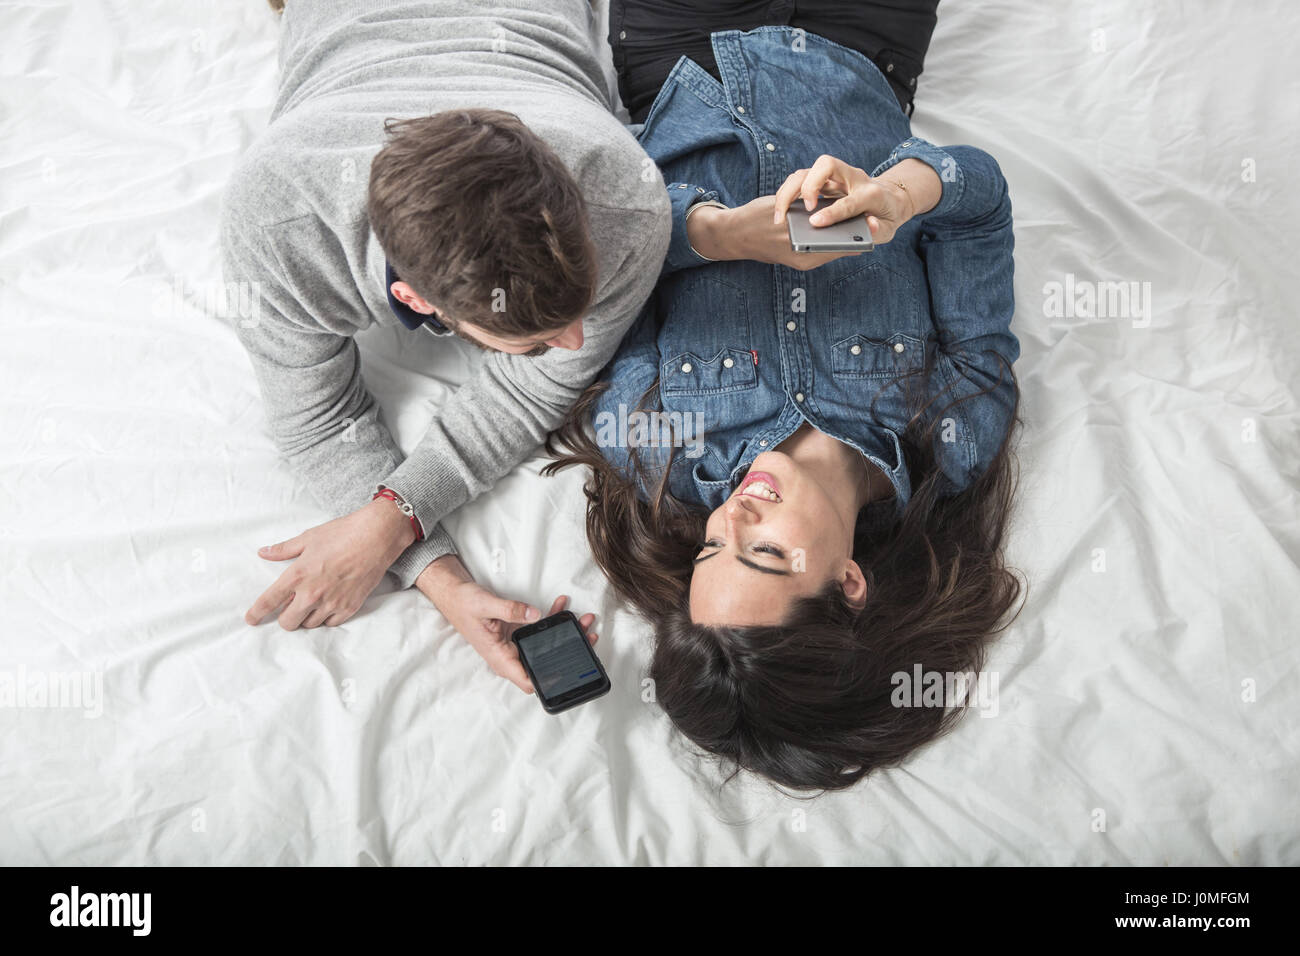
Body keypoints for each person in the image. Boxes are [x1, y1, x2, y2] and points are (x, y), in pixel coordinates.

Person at [549, 7, 1024, 791]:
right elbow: (983, 209)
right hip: (865, 43)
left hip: (683, 48)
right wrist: (903, 194)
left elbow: (597, 259)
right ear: (848, 582)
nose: (730, 516)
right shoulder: (953, 438)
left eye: (708, 548)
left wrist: (718, 235)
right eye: (763, 552)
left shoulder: (654, 447)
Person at [220, 1, 670, 691]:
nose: (576, 345)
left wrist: (392, 521)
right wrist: (437, 573)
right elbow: (318, 421)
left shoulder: (624, 201)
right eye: (539, 338)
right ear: (416, 301)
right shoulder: (279, 222)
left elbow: (534, 390)